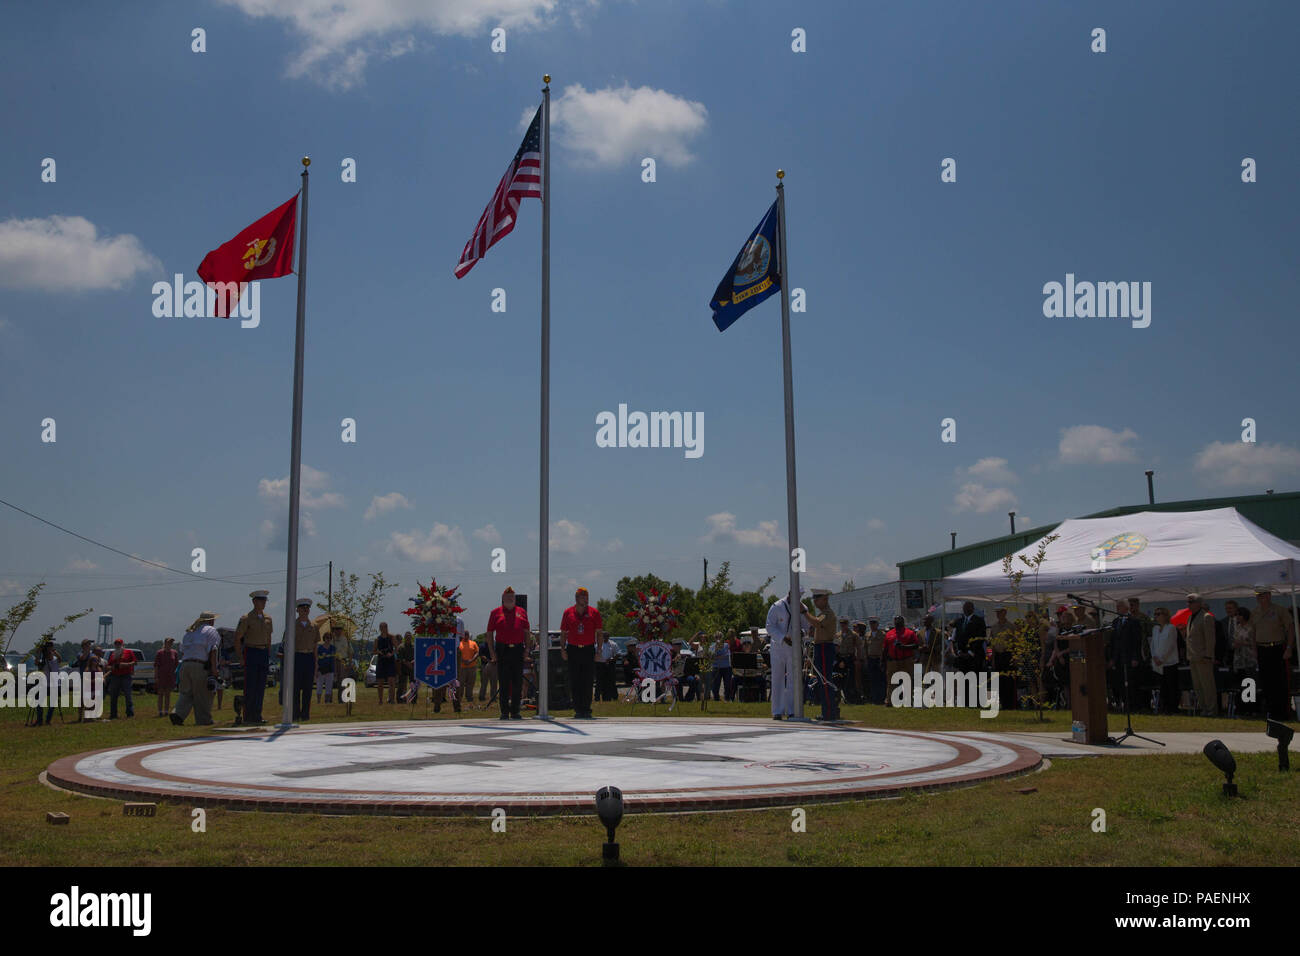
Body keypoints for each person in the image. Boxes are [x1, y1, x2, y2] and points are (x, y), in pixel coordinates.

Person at [1251, 584, 1295, 721]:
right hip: (1262, 649)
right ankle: (1270, 712)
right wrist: (1254, 649)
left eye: (1262, 595)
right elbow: (1253, 632)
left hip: (1277, 648)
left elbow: (1291, 628)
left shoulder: (1279, 610)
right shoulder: (1255, 612)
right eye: (1258, 596)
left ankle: (1283, 713)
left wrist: (1289, 648)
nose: (1260, 598)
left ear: (1269, 595)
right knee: (1266, 681)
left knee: (1280, 682)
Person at [764, 590, 808, 719]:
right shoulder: (777, 606)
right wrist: (783, 638)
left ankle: (791, 710)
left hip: (793, 647)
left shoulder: (803, 608)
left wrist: (802, 633)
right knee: (777, 678)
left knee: (793, 679)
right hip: (778, 646)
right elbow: (769, 626)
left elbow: (806, 626)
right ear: (789, 593)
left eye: (799, 597)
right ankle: (777, 711)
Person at [487, 587, 529, 720]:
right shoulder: (495, 613)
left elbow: (527, 632)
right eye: (508, 597)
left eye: (512, 597)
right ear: (503, 599)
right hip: (502, 650)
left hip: (517, 650)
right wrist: (492, 652)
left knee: (517, 682)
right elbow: (489, 634)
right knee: (504, 682)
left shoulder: (522, 612)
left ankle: (515, 711)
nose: (510, 599)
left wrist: (527, 649)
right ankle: (504, 712)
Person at [560, 587, 602, 719]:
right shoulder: (568, 613)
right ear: (576, 598)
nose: (585, 598)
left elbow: (599, 633)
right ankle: (578, 708)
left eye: (586, 596)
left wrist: (599, 650)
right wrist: (563, 649)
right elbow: (563, 633)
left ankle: (586, 708)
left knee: (588, 680)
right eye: (582, 596)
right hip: (573, 649)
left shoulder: (594, 612)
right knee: (575, 680)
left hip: (588, 649)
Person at [233, 589, 274, 724]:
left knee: (261, 686)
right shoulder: (246, 618)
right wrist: (240, 657)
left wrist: (268, 654)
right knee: (250, 685)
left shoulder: (268, 618)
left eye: (264, 601)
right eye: (261, 600)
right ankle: (248, 715)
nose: (263, 603)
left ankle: (257, 715)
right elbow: (238, 638)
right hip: (251, 651)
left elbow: (269, 638)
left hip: (263, 653)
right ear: (254, 601)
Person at [172, 611, 220, 726]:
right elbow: (213, 650)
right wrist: (214, 668)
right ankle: (204, 720)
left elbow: (183, 651)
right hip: (199, 665)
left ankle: (177, 713)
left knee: (186, 692)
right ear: (210, 621)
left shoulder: (190, 632)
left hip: (185, 665)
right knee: (202, 694)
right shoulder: (211, 631)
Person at [805, 589, 840, 720]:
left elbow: (816, 623)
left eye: (817, 598)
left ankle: (829, 712)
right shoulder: (822, 614)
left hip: (825, 647)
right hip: (821, 647)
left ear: (824, 599)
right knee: (821, 680)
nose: (814, 601)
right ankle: (827, 710)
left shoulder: (828, 614)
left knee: (825, 680)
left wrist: (805, 612)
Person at [1184, 593, 1218, 717]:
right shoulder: (1190, 617)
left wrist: (1208, 655)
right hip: (1193, 656)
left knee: (1207, 685)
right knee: (1198, 686)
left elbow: (1210, 638)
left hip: (1203, 657)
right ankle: (1204, 708)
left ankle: (1212, 709)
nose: (1189, 604)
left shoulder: (1206, 617)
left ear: (1199, 603)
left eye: (1191, 602)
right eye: (1188, 602)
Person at [286, 599, 319, 721]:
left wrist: (316, 662)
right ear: (297, 610)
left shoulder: (314, 626)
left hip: (309, 657)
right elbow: (288, 644)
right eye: (302, 608)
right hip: (297, 656)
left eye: (307, 608)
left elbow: (315, 645)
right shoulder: (292, 625)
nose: (305, 610)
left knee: (307, 688)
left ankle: (305, 714)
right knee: (295, 688)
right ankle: (295, 713)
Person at [882, 616, 920, 706]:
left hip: (906, 660)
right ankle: (889, 701)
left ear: (903, 622)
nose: (897, 622)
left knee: (907, 680)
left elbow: (916, 645)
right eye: (896, 621)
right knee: (891, 681)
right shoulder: (889, 633)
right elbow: (885, 649)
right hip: (892, 661)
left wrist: (904, 647)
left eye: (899, 620)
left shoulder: (910, 633)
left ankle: (908, 700)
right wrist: (883, 661)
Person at [1149, 608, 1181, 714]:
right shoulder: (1155, 629)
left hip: (1169, 662)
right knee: (1162, 687)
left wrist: (1162, 659)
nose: (1156, 616)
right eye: (1155, 614)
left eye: (1159, 614)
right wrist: (1154, 656)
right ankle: (1164, 707)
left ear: (1165, 615)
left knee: (1171, 686)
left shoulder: (1171, 628)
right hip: (1158, 663)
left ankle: (1173, 708)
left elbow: (1171, 645)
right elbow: (1152, 644)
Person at [988, 607, 1018, 711]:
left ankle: (1010, 704)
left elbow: (1015, 643)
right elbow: (992, 644)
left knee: (1008, 681)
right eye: (997, 612)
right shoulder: (994, 627)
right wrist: (993, 659)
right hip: (998, 656)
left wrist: (1014, 657)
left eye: (1000, 612)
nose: (998, 614)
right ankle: (1003, 703)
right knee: (999, 681)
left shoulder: (1011, 626)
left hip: (1008, 654)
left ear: (1004, 613)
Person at [1230, 606, 1257, 717]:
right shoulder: (1237, 628)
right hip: (1239, 659)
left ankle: (1251, 708)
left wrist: (1243, 644)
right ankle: (1241, 708)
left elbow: (1254, 642)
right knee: (1240, 685)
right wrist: (1235, 645)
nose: (1238, 617)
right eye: (1237, 615)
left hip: (1249, 659)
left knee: (1250, 684)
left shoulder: (1251, 628)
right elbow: (1234, 641)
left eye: (1239, 615)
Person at [30, 638, 61, 726]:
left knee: (52, 703)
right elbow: (36, 662)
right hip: (45, 684)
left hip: (54, 684)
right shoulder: (43, 660)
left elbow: (59, 658)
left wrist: (52, 650)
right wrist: (39, 652)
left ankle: (48, 720)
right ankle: (40, 719)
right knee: (39, 701)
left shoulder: (55, 658)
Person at [104, 637, 137, 720]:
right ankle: (113, 714)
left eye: (119, 643)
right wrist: (112, 667)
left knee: (128, 695)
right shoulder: (113, 654)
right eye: (116, 644)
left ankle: (130, 713)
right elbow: (108, 666)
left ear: (122, 644)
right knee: (113, 696)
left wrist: (126, 664)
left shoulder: (129, 652)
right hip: (115, 676)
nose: (118, 645)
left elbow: (135, 662)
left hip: (126, 676)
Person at [952, 602, 987, 675]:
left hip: (975, 657)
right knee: (964, 682)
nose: (966, 609)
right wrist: (959, 651)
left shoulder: (979, 621)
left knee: (974, 681)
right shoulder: (959, 621)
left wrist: (970, 653)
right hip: (962, 658)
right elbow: (956, 638)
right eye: (964, 607)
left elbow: (980, 638)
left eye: (968, 607)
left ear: (972, 609)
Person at [864, 617, 887, 704]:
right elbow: (866, 648)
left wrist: (883, 659)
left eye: (874, 623)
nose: (872, 625)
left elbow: (884, 648)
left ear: (877, 624)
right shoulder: (867, 635)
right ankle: (874, 698)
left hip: (879, 659)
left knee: (881, 679)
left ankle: (882, 698)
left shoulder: (882, 634)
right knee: (873, 680)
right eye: (871, 623)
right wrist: (866, 659)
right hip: (871, 659)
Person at [154, 637, 178, 717]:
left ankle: (166, 711)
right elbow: (156, 665)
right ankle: (160, 711)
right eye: (168, 642)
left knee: (168, 694)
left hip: (170, 676)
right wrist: (156, 676)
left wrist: (175, 675)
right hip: (161, 676)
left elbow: (176, 665)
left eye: (171, 642)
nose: (170, 644)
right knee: (160, 694)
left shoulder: (174, 652)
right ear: (165, 643)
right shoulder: (160, 653)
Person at [374, 622, 397, 705]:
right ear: (380, 628)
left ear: (387, 627)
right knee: (380, 682)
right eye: (381, 627)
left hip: (390, 661)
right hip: (381, 661)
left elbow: (396, 648)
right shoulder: (377, 639)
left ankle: (392, 699)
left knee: (391, 681)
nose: (383, 628)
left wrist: (391, 654)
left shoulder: (392, 637)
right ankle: (380, 700)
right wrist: (379, 652)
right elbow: (374, 651)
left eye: (384, 627)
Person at [457, 629, 479, 710]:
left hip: (472, 666)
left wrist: (471, 660)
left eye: (467, 634)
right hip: (462, 667)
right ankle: (460, 697)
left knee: (471, 683)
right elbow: (457, 653)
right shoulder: (459, 643)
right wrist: (462, 660)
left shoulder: (473, 643)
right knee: (461, 683)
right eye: (465, 634)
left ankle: (469, 697)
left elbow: (477, 652)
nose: (466, 636)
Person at [595, 631, 619, 702]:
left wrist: (612, 659)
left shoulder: (613, 644)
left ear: (608, 637)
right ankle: (597, 698)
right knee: (599, 682)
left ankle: (614, 697)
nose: (605, 638)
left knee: (611, 681)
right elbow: (594, 654)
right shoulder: (597, 645)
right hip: (600, 664)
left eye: (606, 636)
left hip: (610, 664)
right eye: (604, 636)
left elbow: (617, 653)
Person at [710, 631, 733, 701]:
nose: (718, 638)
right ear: (714, 638)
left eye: (720, 637)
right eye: (717, 637)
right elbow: (711, 656)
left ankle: (727, 698)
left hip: (726, 667)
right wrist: (717, 648)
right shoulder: (712, 645)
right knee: (716, 685)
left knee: (727, 684)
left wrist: (717, 656)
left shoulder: (726, 645)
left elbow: (727, 655)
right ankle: (716, 699)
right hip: (716, 667)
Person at [316, 628, 337, 704]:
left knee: (329, 687)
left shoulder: (333, 648)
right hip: (321, 670)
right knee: (319, 686)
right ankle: (318, 701)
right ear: (324, 638)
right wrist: (316, 670)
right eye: (326, 638)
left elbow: (334, 660)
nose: (328, 639)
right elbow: (317, 660)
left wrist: (335, 671)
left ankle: (327, 701)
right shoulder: (320, 648)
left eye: (329, 638)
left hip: (330, 669)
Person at [478, 632, 498, 705]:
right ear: (485, 637)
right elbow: (481, 655)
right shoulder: (482, 645)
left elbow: (498, 653)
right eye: (487, 637)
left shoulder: (495, 644)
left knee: (494, 683)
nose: (490, 638)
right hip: (485, 665)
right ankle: (482, 696)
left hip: (494, 665)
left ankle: (493, 697)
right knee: (484, 682)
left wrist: (494, 659)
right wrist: (489, 660)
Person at [397, 632, 415, 702]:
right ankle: (400, 699)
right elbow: (400, 659)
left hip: (412, 668)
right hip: (403, 668)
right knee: (401, 685)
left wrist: (413, 662)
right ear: (405, 638)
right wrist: (407, 663)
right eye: (407, 637)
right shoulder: (401, 647)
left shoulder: (414, 646)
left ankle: (413, 699)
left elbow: (417, 656)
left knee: (413, 685)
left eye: (409, 637)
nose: (408, 638)